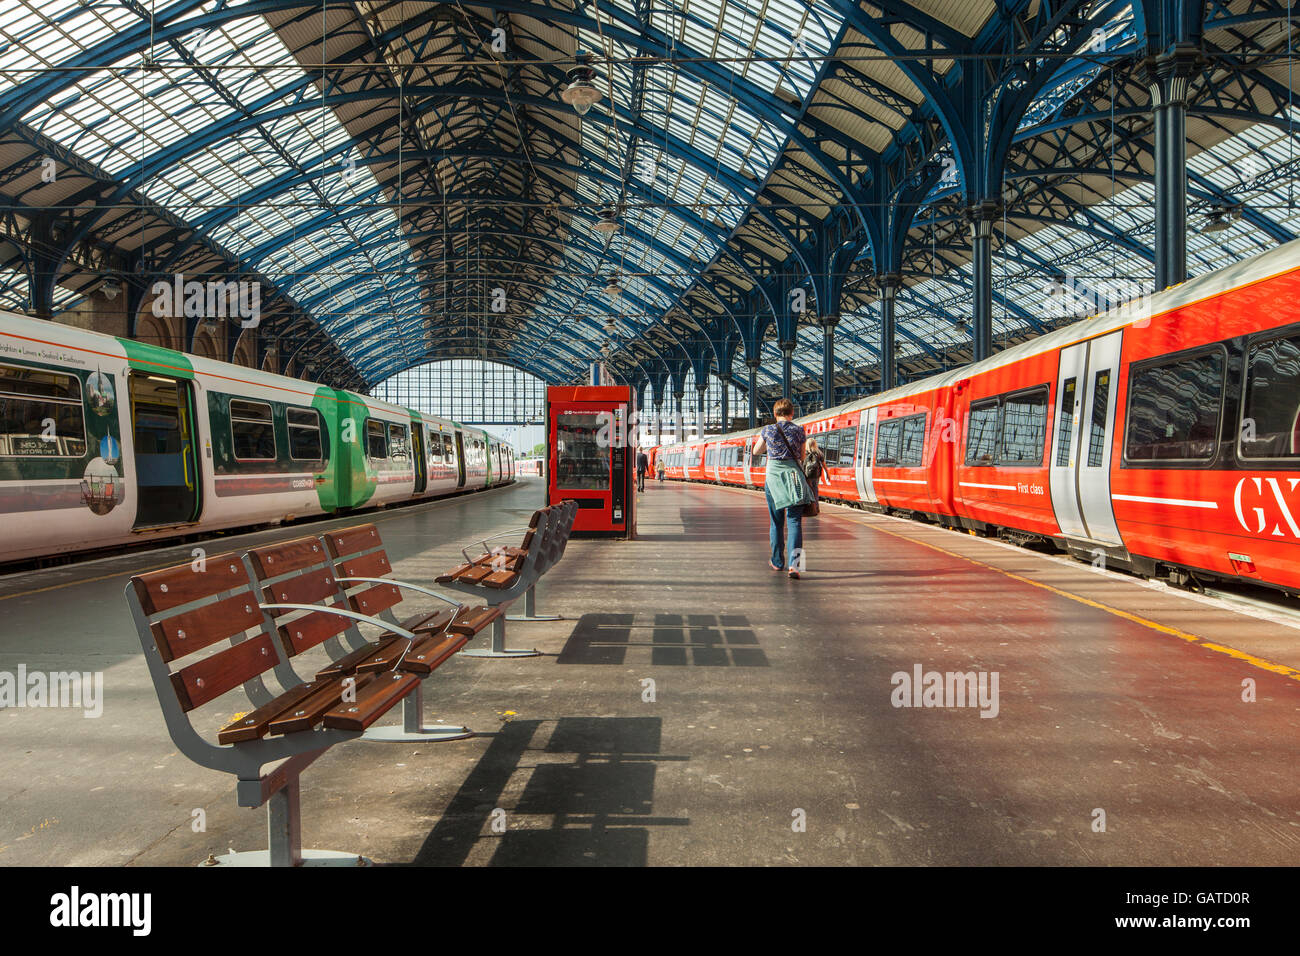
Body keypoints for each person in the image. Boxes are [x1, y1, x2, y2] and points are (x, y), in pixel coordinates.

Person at [751, 398, 807, 579]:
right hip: (794, 478)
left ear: (775, 414)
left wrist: (771, 446)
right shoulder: (799, 430)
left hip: (774, 479)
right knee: (795, 521)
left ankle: (777, 562)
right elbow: (802, 456)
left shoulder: (768, 430)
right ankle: (795, 566)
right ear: (792, 413)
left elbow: (756, 451)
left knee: (776, 522)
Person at [804, 437, 825, 507]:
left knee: (808, 490)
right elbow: (823, 464)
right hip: (816, 475)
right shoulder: (818, 452)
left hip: (807, 475)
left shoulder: (805, 452)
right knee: (815, 489)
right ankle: (816, 506)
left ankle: (809, 506)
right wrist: (827, 474)